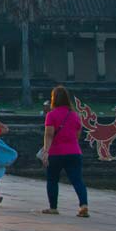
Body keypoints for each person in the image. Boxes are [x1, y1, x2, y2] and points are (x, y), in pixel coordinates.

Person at [40, 85, 89, 218]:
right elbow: (78, 135)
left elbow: (49, 135)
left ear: (53, 99)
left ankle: (53, 207)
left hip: (56, 153)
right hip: (74, 152)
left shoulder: (51, 115)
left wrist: (46, 151)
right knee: (77, 180)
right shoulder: (75, 115)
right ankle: (83, 205)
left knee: (52, 180)